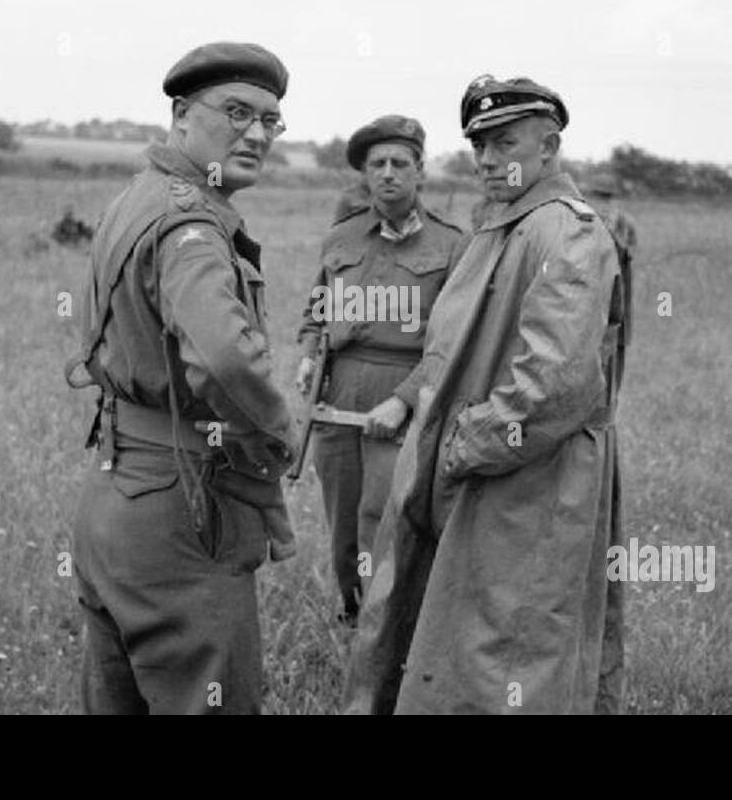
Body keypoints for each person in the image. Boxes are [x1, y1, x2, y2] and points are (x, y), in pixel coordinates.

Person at [344, 75, 631, 714]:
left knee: (510, 654)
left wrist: (458, 448)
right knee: (449, 642)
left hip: (527, 484)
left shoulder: (567, 233)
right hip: (478, 477)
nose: (490, 159)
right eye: (479, 146)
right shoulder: (503, 225)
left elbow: (550, 388)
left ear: (550, 146)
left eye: (505, 143)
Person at [64, 41, 297, 714]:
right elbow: (223, 357)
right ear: (182, 113)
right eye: (237, 111)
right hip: (183, 509)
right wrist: (276, 438)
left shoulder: (138, 197)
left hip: (116, 493)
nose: (256, 133)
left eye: (270, 120)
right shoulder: (189, 220)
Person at [295, 115, 468, 626]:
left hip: (404, 393)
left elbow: (454, 341)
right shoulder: (342, 237)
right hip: (338, 392)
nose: (388, 173)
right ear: (365, 176)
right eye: (377, 165)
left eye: (400, 163)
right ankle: (349, 620)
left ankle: (386, 631)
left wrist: (404, 400)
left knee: (383, 518)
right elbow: (316, 309)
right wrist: (309, 352)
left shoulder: (454, 245)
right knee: (342, 518)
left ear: (421, 172)